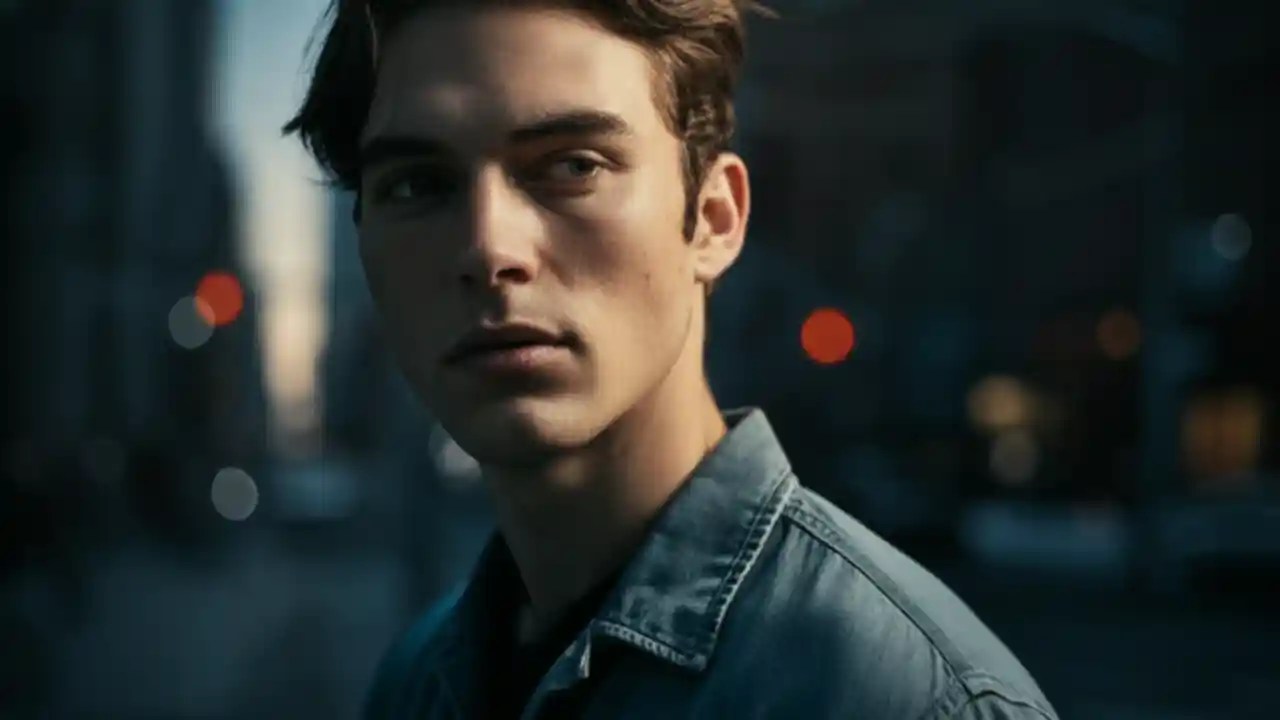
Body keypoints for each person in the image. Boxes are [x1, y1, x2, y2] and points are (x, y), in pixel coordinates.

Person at [285, 1, 1059, 718]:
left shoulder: (911, 701)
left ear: (714, 220)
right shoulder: (416, 680)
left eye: (573, 165)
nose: (490, 250)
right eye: (418, 183)